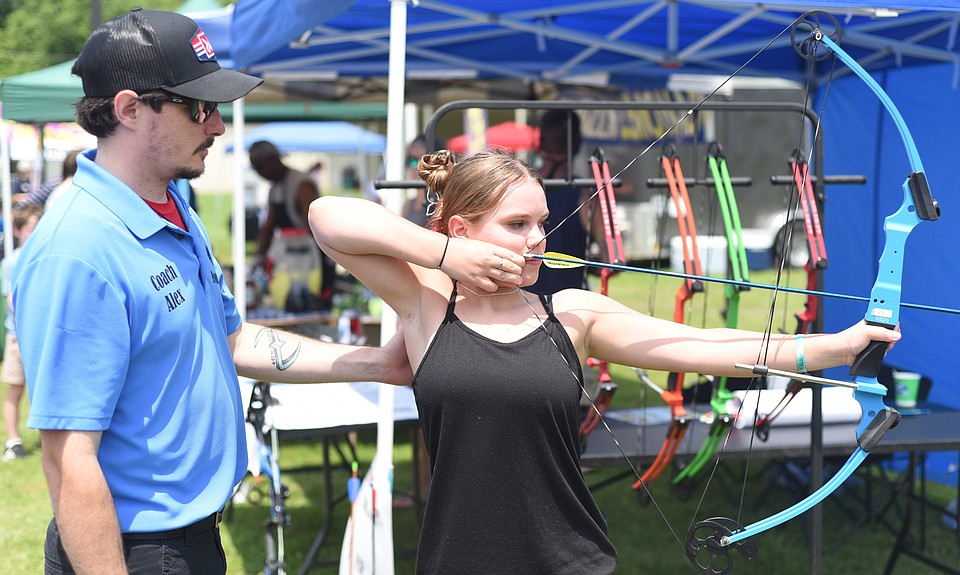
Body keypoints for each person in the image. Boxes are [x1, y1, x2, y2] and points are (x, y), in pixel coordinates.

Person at [308, 149, 901, 574]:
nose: (537, 238)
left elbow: (706, 347)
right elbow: (327, 217)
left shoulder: (570, 313)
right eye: (516, 225)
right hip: (457, 558)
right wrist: (443, 254)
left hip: (571, 558)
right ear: (462, 230)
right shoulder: (427, 305)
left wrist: (839, 347)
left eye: (541, 223)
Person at [12, 10, 411, 575]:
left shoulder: (172, 203)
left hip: (191, 538)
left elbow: (232, 339)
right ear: (129, 110)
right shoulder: (76, 248)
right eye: (199, 106)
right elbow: (68, 459)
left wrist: (380, 363)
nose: (218, 126)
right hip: (135, 550)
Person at [249, 139, 338, 306]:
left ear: (272, 160)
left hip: (311, 260)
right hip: (290, 260)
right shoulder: (274, 189)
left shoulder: (300, 183)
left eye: (260, 167)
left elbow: (315, 222)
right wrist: (258, 257)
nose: (259, 174)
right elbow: (268, 228)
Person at [524, 109, 592, 295]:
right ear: (575, 144)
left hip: (521, 299)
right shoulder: (586, 192)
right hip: (566, 301)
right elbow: (613, 262)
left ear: (541, 143)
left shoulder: (516, 186)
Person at [2, 201, 42, 461]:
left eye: (39, 227)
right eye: (30, 228)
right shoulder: (11, 263)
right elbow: (12, 301)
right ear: (17, 231)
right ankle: (13, 441)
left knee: (44, 390)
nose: (35, 232)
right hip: (19, 338)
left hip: (41, 337)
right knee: (15, 389)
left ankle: (49, 437)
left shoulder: (46, 256)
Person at [400, 135, 430, 227]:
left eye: (424, 161)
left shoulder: (442, 206)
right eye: (412, 160)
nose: (417, 167)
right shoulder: (407, 206)